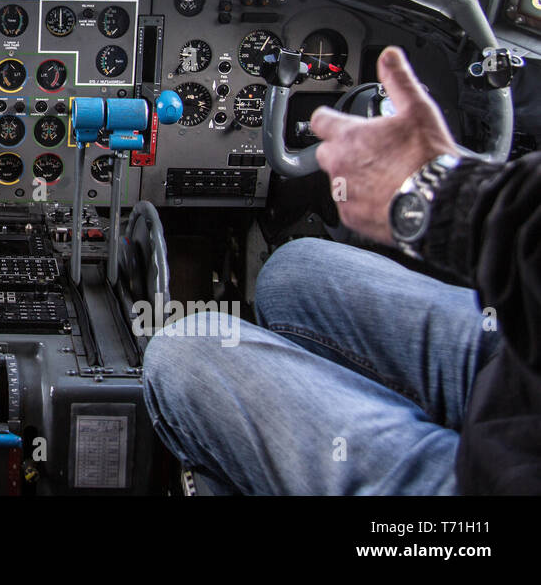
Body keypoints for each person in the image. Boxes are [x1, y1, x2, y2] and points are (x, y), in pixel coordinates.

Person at [143, 44, 538, 494]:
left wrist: (444, 197)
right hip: (516, 361)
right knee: (291, 270)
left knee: (185, 348)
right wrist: (453, 197)